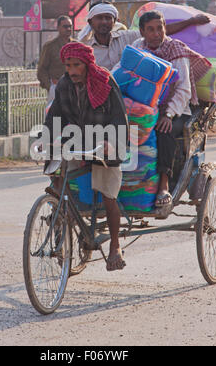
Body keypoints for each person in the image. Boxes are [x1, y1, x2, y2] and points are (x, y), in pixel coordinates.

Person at [43, 42, 129, 271]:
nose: (71, 71)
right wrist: (48, 138)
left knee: (108, 193)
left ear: (87, 64)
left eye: (76, 65)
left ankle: (115, 248)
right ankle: (61, 208)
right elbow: (54, 116)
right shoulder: (64, 84)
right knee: (55, 166)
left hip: (106, 141)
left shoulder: (105, 80)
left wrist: (112, 142)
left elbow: (120, 117)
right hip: (79, 138)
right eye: (68, 65)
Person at [132, 10, 211, 207]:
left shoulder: (175, 49)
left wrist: (168, 115)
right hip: (144, 108)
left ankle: (164, 185)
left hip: (175, 110)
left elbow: (183, 89)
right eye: (150, 30)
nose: (157, 33)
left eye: (160, 28)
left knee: (162, 130)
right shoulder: (136, 48)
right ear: (142, 32)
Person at [79, 0, 210, 71]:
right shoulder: (84, 48)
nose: (104, 22)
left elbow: (156, 32)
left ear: (115, 21)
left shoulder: (127, 37)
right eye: (100, 18)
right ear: (90, 21)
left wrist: (191, 21)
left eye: (108, 18)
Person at [37, 15, 74, 105]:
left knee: (73, 117)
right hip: (57, 88)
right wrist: (50, 87)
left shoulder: (76, 45)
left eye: (70, 26)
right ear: (58, 28)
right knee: (56, 117)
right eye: (65, 26)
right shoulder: (50, 46)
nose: (68, 29)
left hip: (74, 89)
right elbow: (41, 70)